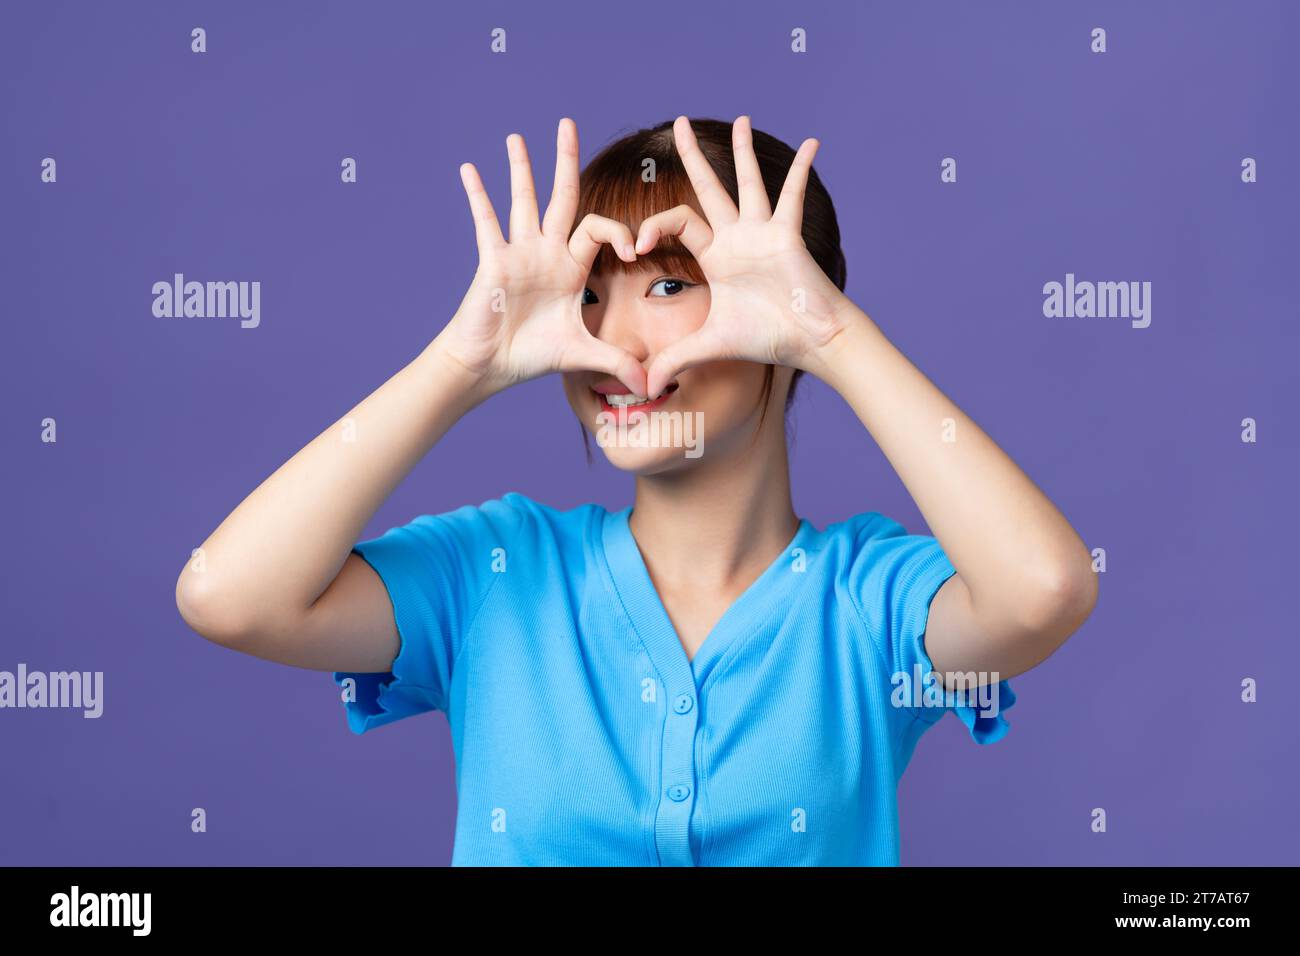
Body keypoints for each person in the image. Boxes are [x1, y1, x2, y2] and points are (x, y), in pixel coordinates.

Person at [175, 115, 1098, 865]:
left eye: (666, 287)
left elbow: (1043, 589)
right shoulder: (496, 572)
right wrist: (462, 362)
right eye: (589, 293)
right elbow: (229, 595)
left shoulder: (870, 602)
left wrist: (830, 336)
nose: (617, 343)